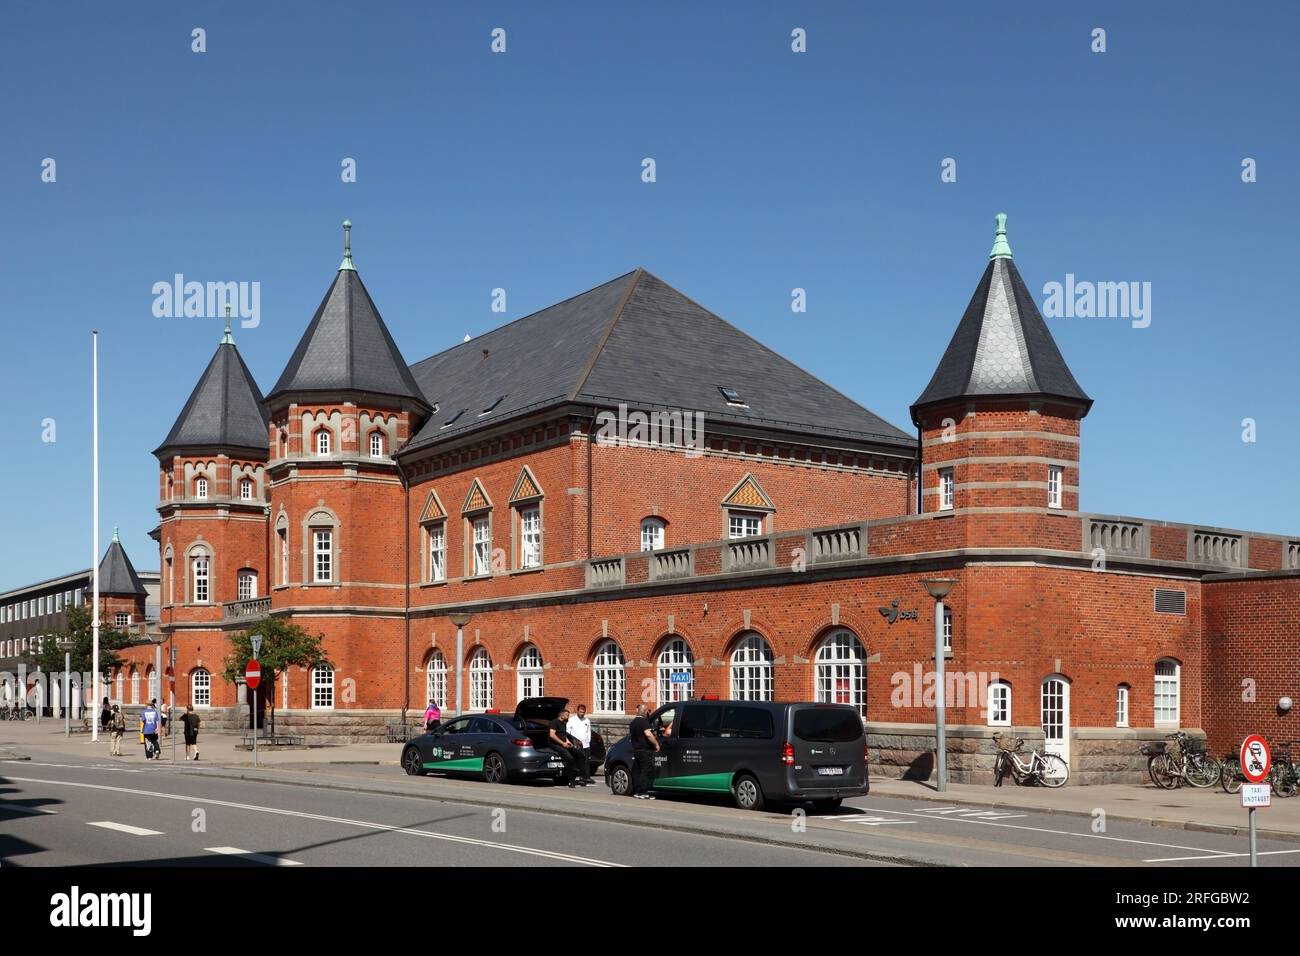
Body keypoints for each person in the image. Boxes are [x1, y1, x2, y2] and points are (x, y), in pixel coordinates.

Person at [629, 703, 661, 799]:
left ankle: (637, 791)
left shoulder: (633, 722)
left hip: (636, 749)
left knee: (638, 771)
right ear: (646, 711)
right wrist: (656, 744)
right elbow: (648, 734)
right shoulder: (643, 722)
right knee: (645, 771)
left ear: (638, 710)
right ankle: (643, 792)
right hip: (645, 750)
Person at [546, 707, 583, 788]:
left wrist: (568, 742)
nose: (568, 717)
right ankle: (571, 781)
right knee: (570, 759)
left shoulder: (563, 723)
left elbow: (564, 735)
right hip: (555, 744)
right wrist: (563, 743)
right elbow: (552, 735)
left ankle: (581, 775)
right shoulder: (554, 722)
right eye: (567, 715)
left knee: (579, 754)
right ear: (562, 715)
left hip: (563, 743)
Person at [565, 703, 595, 785]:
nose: (582, 714)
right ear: (577, 711)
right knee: (577, 761)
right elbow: (568, 731)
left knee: (586, 761)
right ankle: (575, 777)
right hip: (576, 744)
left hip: (585, 744)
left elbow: (588, 731)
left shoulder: (587, 720)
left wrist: (588, 741)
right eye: (581, 712)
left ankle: (586, 777)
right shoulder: (572, 720)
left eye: (583, 712)